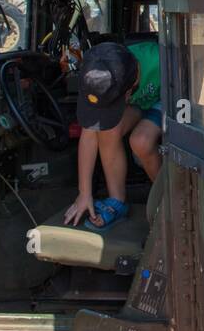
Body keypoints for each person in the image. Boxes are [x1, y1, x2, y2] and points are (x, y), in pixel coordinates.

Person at [64, 39, 163, 228]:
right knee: (107, 128)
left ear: (127, 93)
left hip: (166, 99)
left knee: (141, 141)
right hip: (138, 104)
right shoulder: (97, 77)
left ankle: (167, 197)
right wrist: (84, 193)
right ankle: (117, 200)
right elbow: (90, 132)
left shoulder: (160, 59)